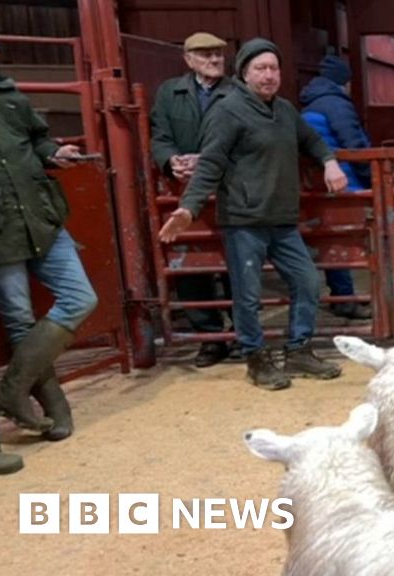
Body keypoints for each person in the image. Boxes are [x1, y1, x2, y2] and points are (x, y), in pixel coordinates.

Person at [157, 38, 348, 391]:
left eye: (274, 68)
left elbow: (312, 140)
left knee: (307, 281)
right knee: (247, 294)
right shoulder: (228, 111)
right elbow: (211, 161)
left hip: (281, 220)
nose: (269, 75)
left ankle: (298, 350)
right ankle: (256, 360)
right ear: (244, 73)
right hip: (244, 220)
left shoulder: (285, 110)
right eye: (260, 68)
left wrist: (329, 161)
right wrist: (189, 206)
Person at [0, 39, 98, 474]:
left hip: (40, 214)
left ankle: (13, 390)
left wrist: (54, 152)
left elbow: (37, 140)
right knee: (18, 316)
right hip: (0, 226)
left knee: (80, 297)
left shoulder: (10, 97)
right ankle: (53, 407)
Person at [150, 32, 234, 367]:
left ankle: (243, 334)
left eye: (218, 55)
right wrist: (170, 160)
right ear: (188, 60)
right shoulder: (170, 93)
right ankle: (210, 338)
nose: (214, 60)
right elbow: (159, 136)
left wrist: (211, 160)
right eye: (205, 55)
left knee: (237, 263)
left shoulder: (237, 91)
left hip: (228, 188)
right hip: (183, 189)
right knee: (191, 265)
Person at [299, 55, 372, 322]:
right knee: (347, 239)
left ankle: (343, 295)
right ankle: (346, 299)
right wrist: (371, 178)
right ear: (344, 81)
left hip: (317, 182)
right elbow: (354, 143)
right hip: (343, 180)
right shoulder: (337, 104)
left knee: (330, 239)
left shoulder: (310, 103)